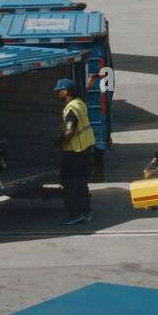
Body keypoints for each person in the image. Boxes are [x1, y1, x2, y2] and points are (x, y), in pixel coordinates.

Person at [54, 78, 95, 225]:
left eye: (59, 90)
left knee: (71, 184)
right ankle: (85, 212)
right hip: (85, 149)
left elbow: (70, 131)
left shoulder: (71, 108)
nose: (57, 93)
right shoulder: (80, 103)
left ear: (66, 91)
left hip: (75, 151)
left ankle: (75, 214)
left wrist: (59, 141)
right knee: (82, 183)